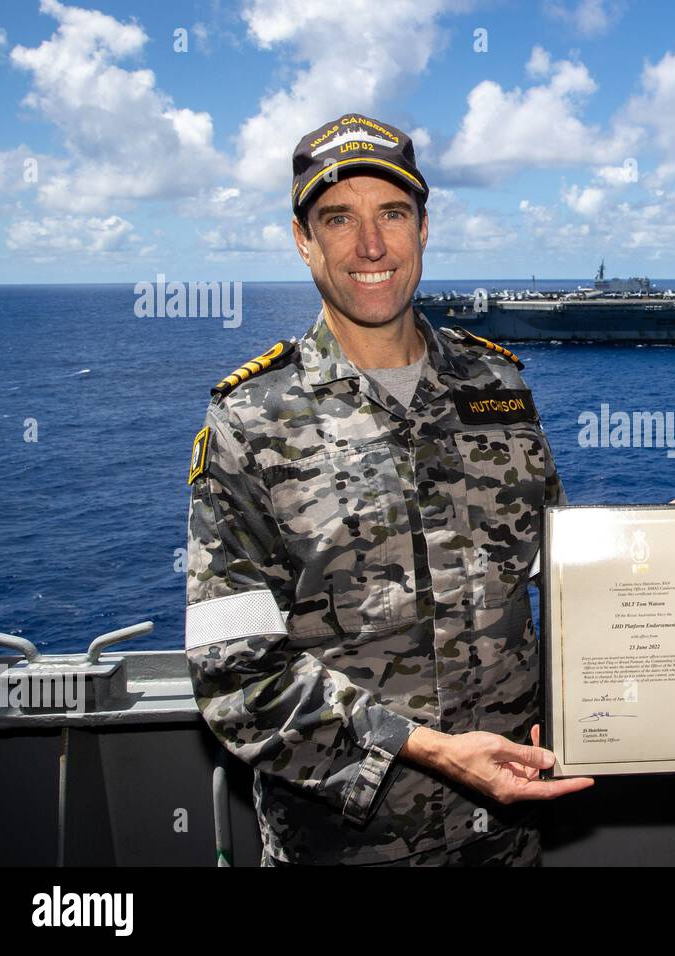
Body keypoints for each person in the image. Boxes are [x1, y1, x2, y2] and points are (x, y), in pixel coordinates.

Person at [183, 113, 598, 866]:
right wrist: (426, 749)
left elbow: (561, 574)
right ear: (302, 238)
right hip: (346, 845)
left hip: (504, 839)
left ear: (424, 228)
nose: (370, 246)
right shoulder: (248, 421)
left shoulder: (498, 388)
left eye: (393, 215)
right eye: (338, 219)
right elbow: (233, 672)